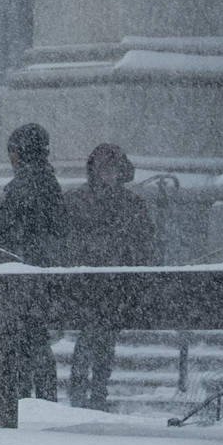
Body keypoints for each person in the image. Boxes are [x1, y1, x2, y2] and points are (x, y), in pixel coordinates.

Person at [0, 122, 68, 399]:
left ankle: (23, 396)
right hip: (36, 267)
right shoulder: (45, 180)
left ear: (21, 152)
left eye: (12, 151)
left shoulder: (28, 183)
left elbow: (7, 223)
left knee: (24, 340)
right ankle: (40, 396)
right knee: (33, 339)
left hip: (22, 269)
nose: (11, 158)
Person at [63, 142, 158, 408]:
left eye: (111, 168)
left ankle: (94, 392)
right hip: (93, 282)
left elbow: (144, 242)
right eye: (103, 169)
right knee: (93, 336)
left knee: (100, 338)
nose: (107, 174)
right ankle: (84, 391)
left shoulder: (127, 203)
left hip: (112, 283)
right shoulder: (82, 201)